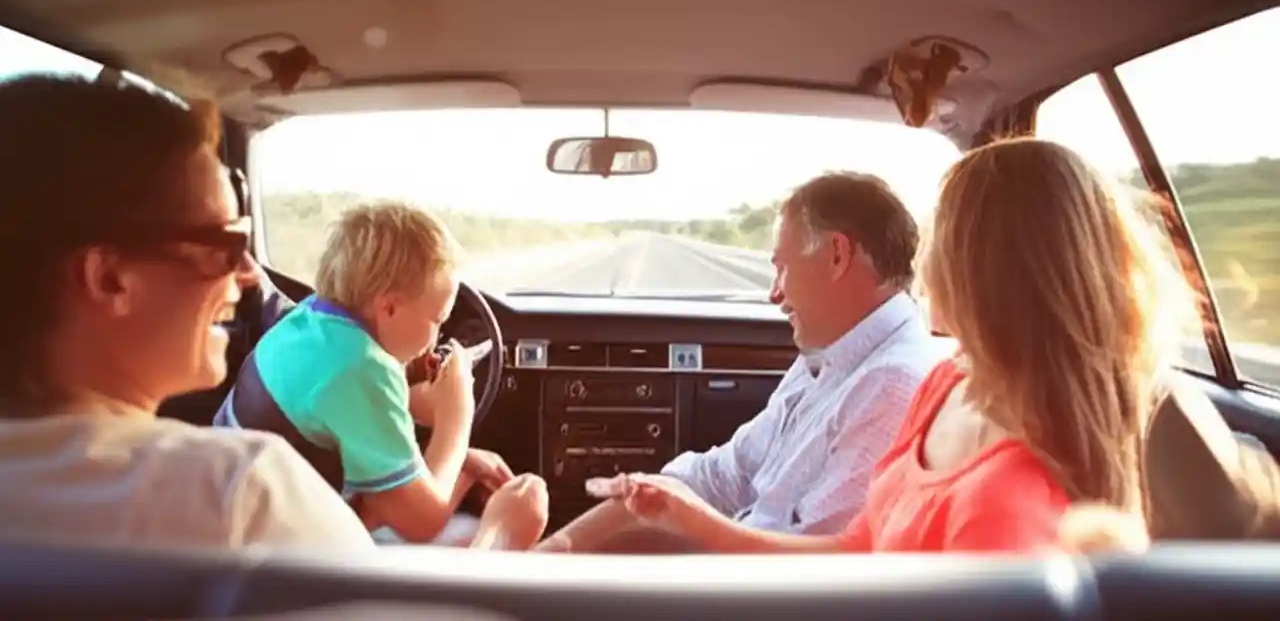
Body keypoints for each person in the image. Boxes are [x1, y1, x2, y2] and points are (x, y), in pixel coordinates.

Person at [0, 74, 547, 551]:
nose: (246, 274)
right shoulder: (245, 492)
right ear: (110, 279)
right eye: (224, 244)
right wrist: (500, 531)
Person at [583, 139, 1192, 553]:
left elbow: (846, 587)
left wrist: (696, 529)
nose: (922, 260)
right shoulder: (947, 386)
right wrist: (686, 515)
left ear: (983, 268)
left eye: (939, 236)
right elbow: (857, 550)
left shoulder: (1002, 500)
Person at [541, 172, 946, 552]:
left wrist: (689, 523)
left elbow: (816, 577)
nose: (774, 294)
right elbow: (727, 473)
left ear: (837, 255)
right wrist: (556, 552)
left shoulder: (891, 386)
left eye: (782, 268)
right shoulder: (831, 353)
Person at [215, 201, 510, 545]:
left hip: (239, 509)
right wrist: (457, 414)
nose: (438, 337)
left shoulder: (313, 321)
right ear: (389, 308)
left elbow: (362, 409)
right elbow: (423, 522)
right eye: (438, 320)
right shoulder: (362, 367)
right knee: (485, 526)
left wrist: (460, 457)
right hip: (275, 548)